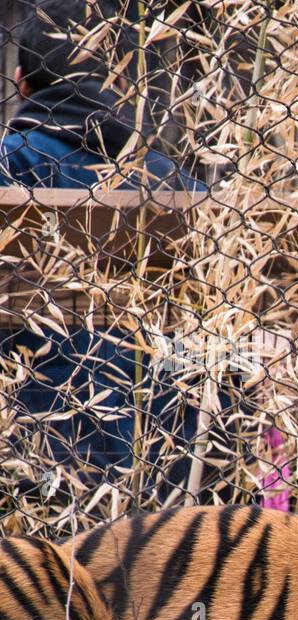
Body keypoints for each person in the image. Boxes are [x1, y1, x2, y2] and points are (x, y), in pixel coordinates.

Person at [1, 0, 206, 503]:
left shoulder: (13, 162)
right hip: (159, 454)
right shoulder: (179, 185)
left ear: (23, 81)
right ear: (124, 90)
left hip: (28, 442)